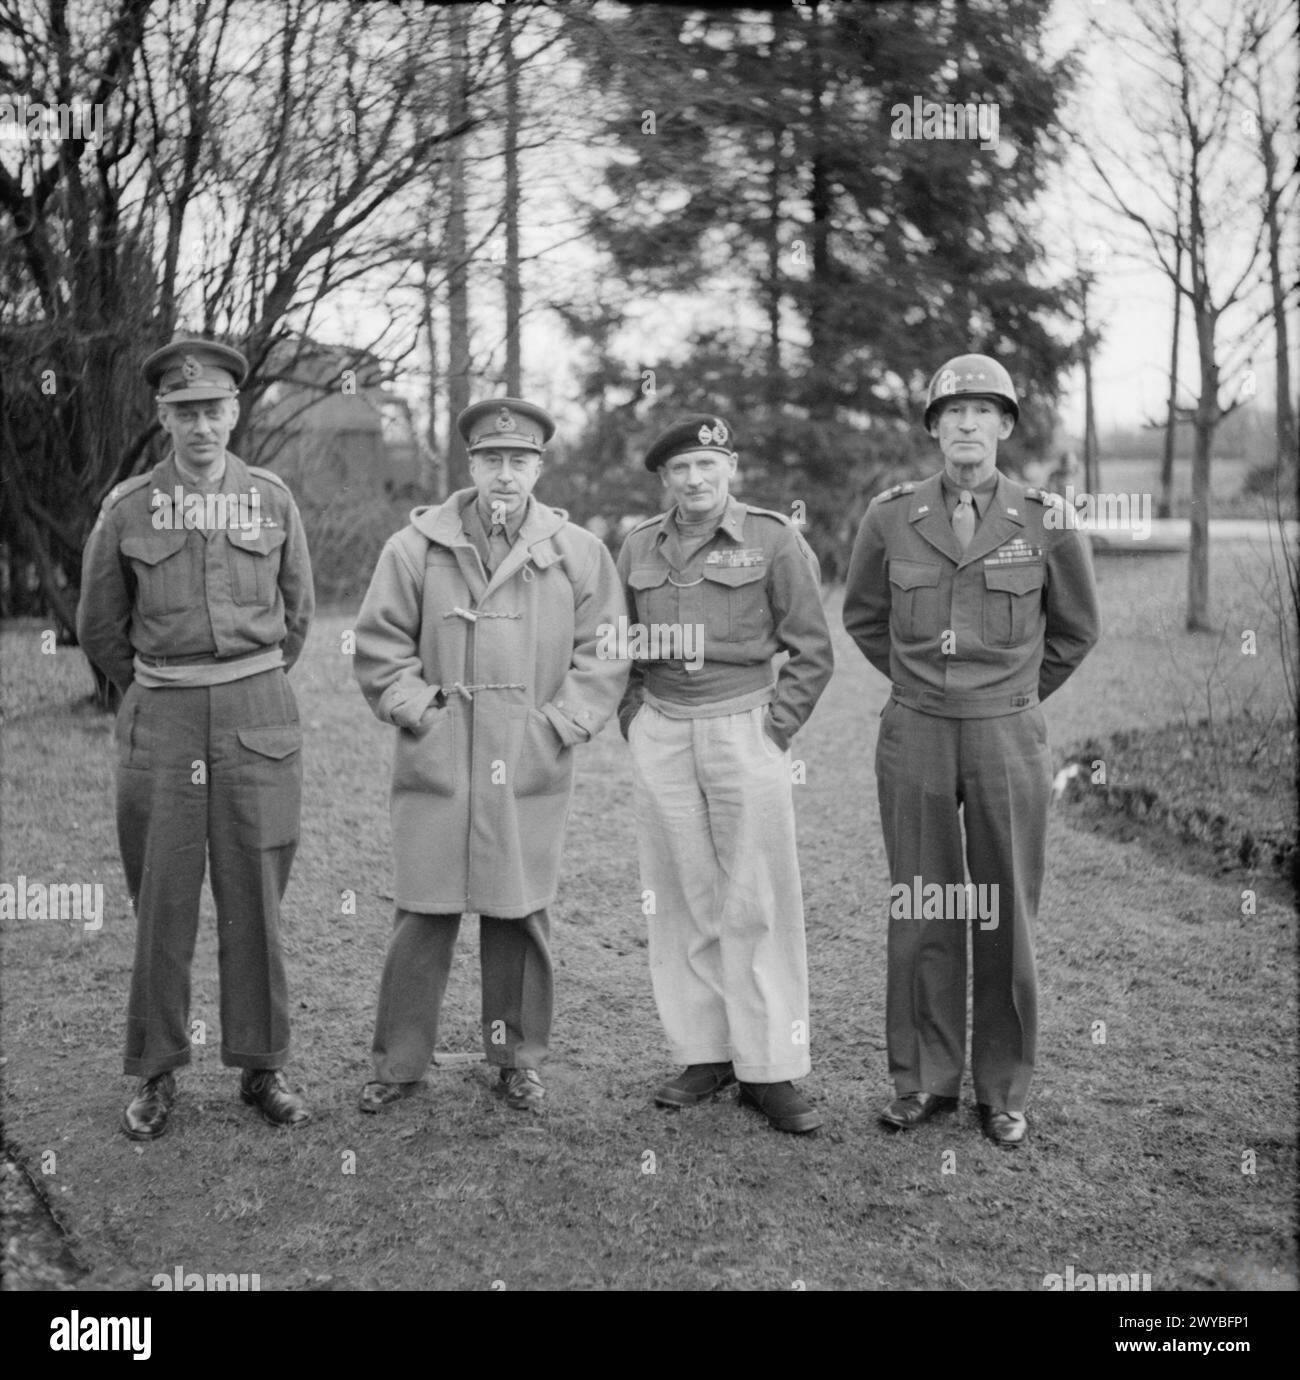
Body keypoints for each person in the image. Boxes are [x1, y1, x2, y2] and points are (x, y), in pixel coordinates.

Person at [842, 353, 1100, 1148]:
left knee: (1005, 908)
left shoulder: (1046, 518)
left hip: (1006, 736)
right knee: (923, 906)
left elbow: (1075, 630)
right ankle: (922, 1080)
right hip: (915, 730)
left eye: (983, 412)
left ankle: (1002, 1088)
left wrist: (1012, 697)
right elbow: (864, 618)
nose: (966, 425)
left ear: (1005, 426)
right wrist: (927, 688)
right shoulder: (890, 517)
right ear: (932, 428)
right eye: (952, 413)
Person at [353, 398, 627, 1115]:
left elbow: (606, 651)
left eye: (521, 460)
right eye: (492, 459)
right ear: (469, 463)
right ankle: (399, 1065)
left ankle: (516, 1060)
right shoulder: (414, 547)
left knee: (520, 911)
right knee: (422, 912)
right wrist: (421, 713)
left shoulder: (577, 550)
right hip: (438, 755)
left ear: (539, 466)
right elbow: (379, 649)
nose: (506, 474)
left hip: (528, 757)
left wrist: (557, 726)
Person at [77, 339, 315, 1140]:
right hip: (165, 715)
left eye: (213, 409)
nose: (201, 426)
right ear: (163, 416)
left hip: (257, 714)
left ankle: (262, 1066)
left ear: (235, 411)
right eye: (185, 413)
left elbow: (299, 615)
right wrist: (162, 685)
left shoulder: (273, 500)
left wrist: (246, 680)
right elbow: (100, 627)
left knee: (256, 897)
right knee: (162, 901)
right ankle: (154, 1072)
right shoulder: (130, 507)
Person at [617, 414, 834, 1134]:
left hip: (745, 724)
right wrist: (634, 720)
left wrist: (773, 732)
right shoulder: (638, 546)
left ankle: (770, 1068)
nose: (695, 480)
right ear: (664, 479)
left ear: (730, 467)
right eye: (680, 469)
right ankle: (704, 1053)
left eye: (708, 464)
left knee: (756, 897)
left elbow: (811, 648)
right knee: (680, 891)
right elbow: (620, 646)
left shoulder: (773, 539)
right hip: (664, 729)